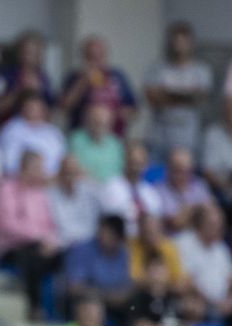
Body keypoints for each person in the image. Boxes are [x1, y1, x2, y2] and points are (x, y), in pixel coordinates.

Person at [0, 151, 61, 320]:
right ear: (24, 168)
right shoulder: (6, 189)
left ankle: (63, 314)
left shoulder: (40, 193)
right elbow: (7, 224)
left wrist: (50, 241)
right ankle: (34, 307)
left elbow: (50, 224)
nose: (41, 172)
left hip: (40, 246)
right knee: (32, 256)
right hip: (10, 247)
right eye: (37, 168)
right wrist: (38, 237)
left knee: (65, 257)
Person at [144, 22, 213, 158]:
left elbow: (199, 98)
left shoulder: (201, 71)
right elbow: (152, 97)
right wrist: (186, 94)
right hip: (159, 138)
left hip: (188, 139)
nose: (179, 46)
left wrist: (168, 93)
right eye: (176, 41)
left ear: (191, 43)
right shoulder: (156, 69)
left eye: (183, 42)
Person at [63, 215, 134, 325]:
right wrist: (105, 296)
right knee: (91, 307)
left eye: (109, 234)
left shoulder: (123, 253)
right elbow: (74, 288)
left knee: (134, 307)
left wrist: (112, 297)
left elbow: (126, 290)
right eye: (101, 231)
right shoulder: (82, 250)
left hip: (116, 308)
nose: (102, 236)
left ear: (118, 238)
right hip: (85, 305)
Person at [60, 36, 138, 136]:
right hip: (82, 137)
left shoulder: (118, 76)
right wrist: (82, 82)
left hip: (113, 138)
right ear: (84, 57)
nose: (96, 61)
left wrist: (122, 113)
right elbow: (64, 108)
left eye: (99, 56)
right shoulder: (74, 77)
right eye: (91, 56)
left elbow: (133, 109)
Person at [129, 254, 197, 326]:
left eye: (161, 268)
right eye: (154, 268)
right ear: (146, 272)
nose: (158, 273)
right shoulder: (139, 298)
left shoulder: (174, 298)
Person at [174, 206, 232, 319]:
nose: (218, 229)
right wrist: (212, 302)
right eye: (213, 225)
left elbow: (230, 279)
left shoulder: (220, 248)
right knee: (193, 307)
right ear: (200, 224)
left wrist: (229, 299)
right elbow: (184, 281)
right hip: (197, 300)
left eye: (220, 225)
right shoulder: (183, 243)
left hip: (221, 303)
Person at [0, 90, 66, 178]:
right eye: (31, 107)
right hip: (20, 182)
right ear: (22, 108)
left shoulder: (53, 132)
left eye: (38, 107)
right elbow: (8, 164)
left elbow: (62, 159)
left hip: (52, 183)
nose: (35, 110)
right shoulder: (10, 130)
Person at [98, 141, 163, 233]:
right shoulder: (111, 187)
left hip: (144, 242)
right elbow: (109, 222)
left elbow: (156, 222)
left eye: (140, 163)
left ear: (146, 166)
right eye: (133, 162)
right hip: (120, 240)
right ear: (125, 161)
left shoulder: (151, 193)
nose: (136, 167)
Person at [0, 31, 53, 123]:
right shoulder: (4, 75)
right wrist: (19, 89)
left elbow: (50, 113)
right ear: (19, 53)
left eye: (36, 52)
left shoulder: (43, 78)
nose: (31, 57)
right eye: (28, 52)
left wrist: (38, 92)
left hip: (36, 130)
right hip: (9, 128)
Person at [155, 147, 216, 234]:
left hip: (199, 239)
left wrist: (187, 212)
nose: (182, 175)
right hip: (172, 241)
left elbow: (212, 215)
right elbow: (176, 222)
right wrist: (197, 209)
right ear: (168, 169)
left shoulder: (199, 186)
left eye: (186, 171)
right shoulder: (159, 190)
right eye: (178, 170)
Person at [50, 155, 103, 252]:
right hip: (63, 247)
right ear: (60, 174)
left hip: (90, 244)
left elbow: (105, 201)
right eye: (66, 173)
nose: (69, 177)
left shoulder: (89, 191)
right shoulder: (51, 195)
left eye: (73, 172)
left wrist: (89, 179)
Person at [127, 213, 188, 291]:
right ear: (140, 231)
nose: (151, 235)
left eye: (155, 230)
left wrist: (162, 282)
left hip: (167, 292)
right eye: (148, 231)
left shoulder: (169, 247)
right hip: (140, 293)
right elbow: (134, 278)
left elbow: (179, 279)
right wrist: (156, 279)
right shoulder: (133, 246)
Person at [69, 103, 124, 183]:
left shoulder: (115, 143)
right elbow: (72, 167)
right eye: (96, 122)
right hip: (84, 183)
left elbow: (119, 170)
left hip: (110, 186)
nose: (100, 126)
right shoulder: (76, 140)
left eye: (104, 123)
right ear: (87, 121)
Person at [201, 99, 232, 209]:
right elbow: (207, 173)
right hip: (218, 190)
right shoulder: (213, 134)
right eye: (229, 110)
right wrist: (226, 187)